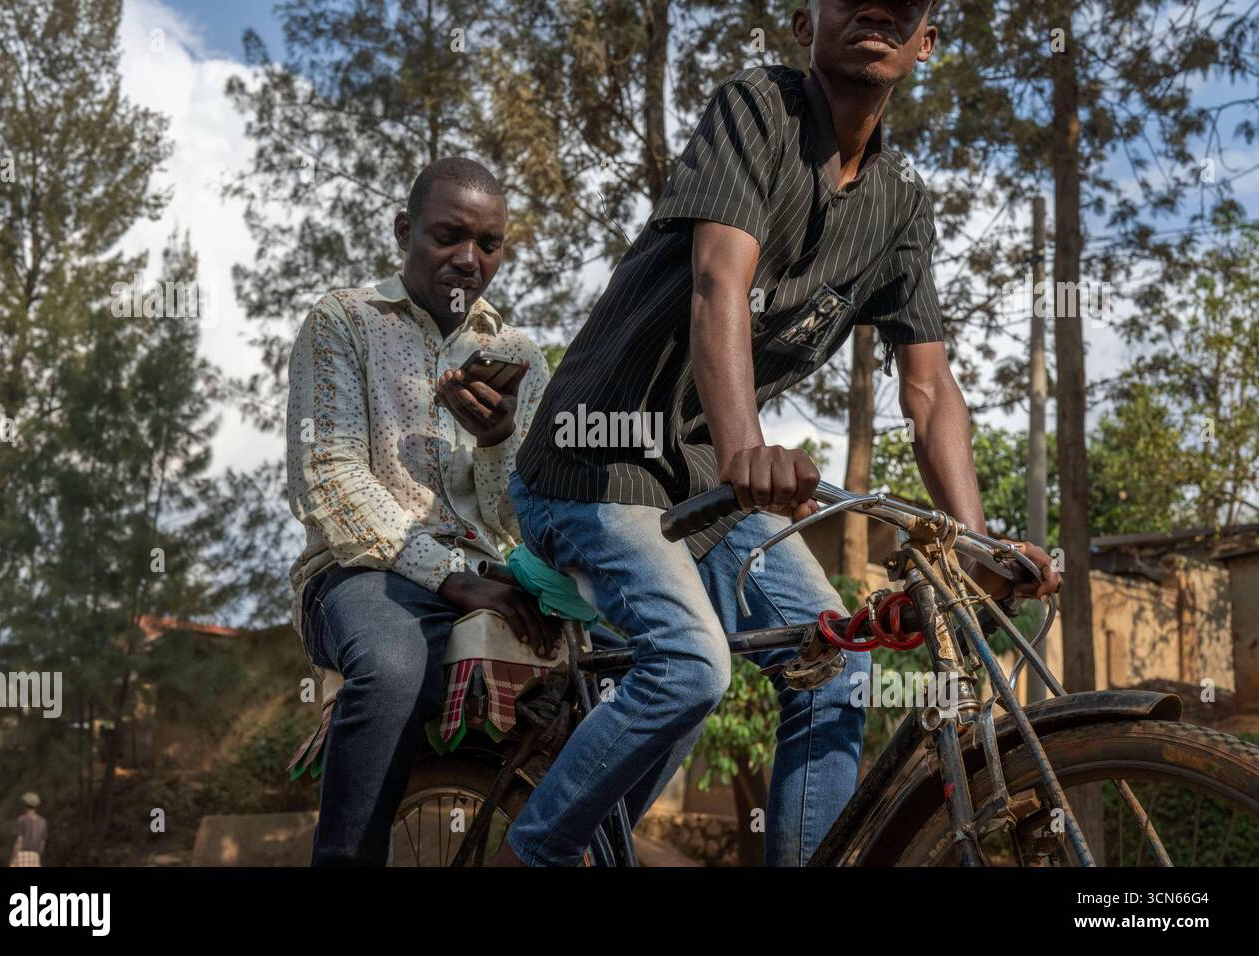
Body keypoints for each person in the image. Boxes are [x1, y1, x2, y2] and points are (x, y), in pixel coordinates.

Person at [493, 0, 1061, 867]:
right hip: (593, 459)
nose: (877, 7)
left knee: (835, 663)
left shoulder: (901, 205)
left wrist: (976, 544)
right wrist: (743, 449)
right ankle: (539, 853)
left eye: (903, 2)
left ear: (926, 41)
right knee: (692, 664)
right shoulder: (755, 110)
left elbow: (930, 384)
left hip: (700, 484)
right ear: (805, 22)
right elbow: (720, 280)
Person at [286, 157, 558, 866]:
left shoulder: (518, 355)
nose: (469, 259)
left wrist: (499, 440)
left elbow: (521, 517)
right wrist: (450, 578)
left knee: (629, 673)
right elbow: (331, 476)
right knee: (393, 662)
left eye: (490, 245)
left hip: (494, 577)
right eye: (447, 236)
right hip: (359, 576)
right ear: (404, 229)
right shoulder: (342, 320)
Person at [10, 792, 47, 867]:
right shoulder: (43, 822)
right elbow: (42, 843)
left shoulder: (22, 820)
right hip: (36, 856)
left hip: (22, 855)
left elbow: (19, 841)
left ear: (25, 805)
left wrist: (13, 860)